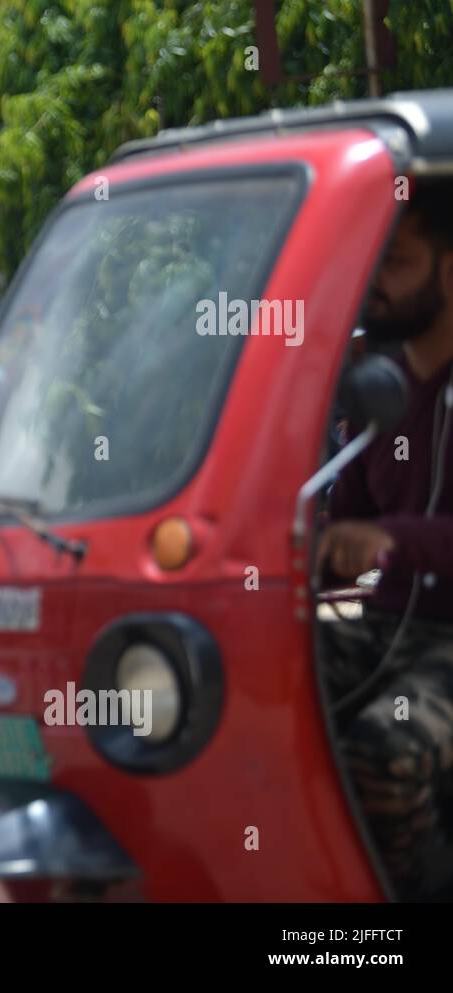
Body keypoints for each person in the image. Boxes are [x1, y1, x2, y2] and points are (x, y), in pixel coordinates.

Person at [318, 183, 453, 900]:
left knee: (383, 750)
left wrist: (390, 539)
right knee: (236, 685)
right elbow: (345, 516)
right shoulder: (384, 389)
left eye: (395, 263)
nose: (376, 287)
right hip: (385, 631)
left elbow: (380, 531)